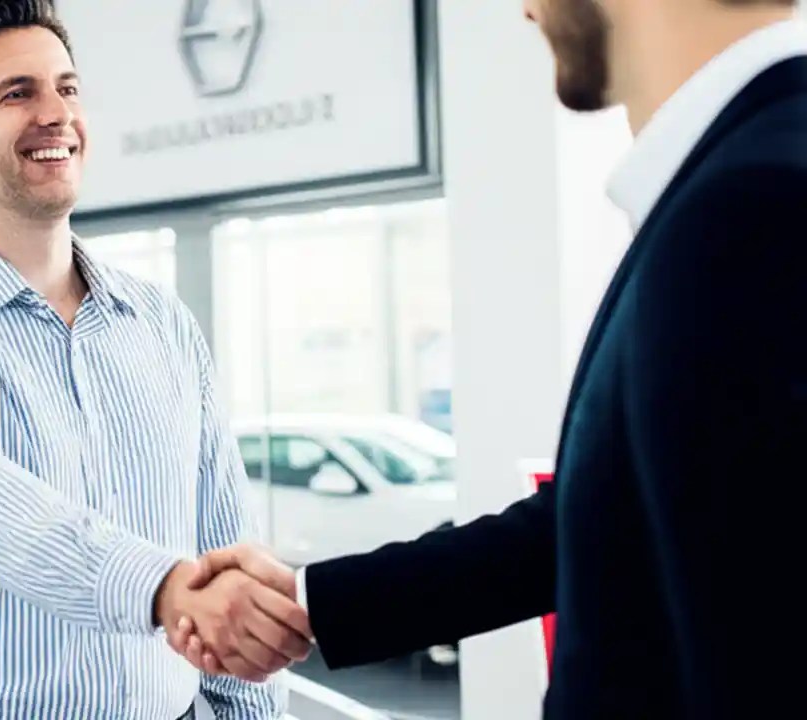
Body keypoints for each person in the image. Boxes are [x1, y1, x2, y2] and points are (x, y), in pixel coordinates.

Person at [175, 0, 807, 717]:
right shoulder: (736, 182)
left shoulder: (754, 205)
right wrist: (311, 599)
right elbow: (582, 525)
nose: (526, 7)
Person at [0, 1, 311, 718]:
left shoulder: (161, 322)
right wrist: (163, 588)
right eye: (18, 92)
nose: (56, 113)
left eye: (68, 87)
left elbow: (222, 537)